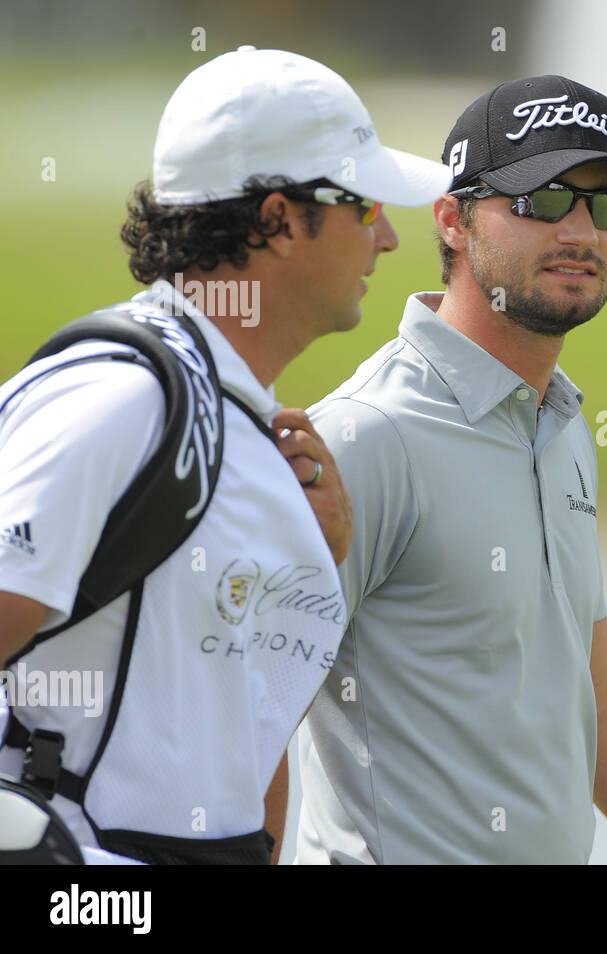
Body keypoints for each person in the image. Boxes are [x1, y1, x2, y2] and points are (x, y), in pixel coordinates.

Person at [0, 46, 451, 864]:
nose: (386, 237)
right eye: (364, 204)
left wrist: (318, 562)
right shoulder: (123, 399)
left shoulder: (236, 411)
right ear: (279, 220)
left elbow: (240, 749)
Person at [296, 75, 607, 864]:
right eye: (543, 199)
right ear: (451, 217)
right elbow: (243, 710)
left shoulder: (561, 427)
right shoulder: (367, 438)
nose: (582, 230)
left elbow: (599, 697)